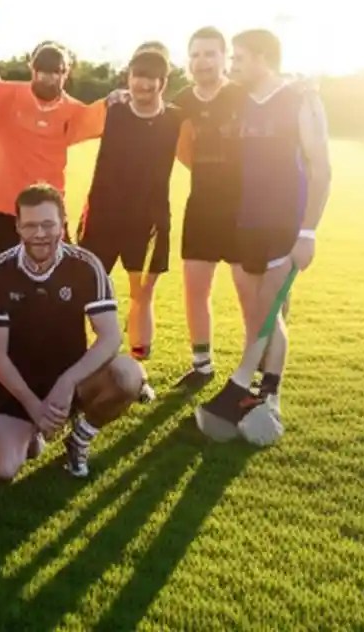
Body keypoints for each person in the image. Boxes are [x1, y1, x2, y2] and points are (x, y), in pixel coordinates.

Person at [195, 29, 332, 443]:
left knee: (271, 310)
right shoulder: (237, 99)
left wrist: (307, 232)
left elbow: (322, 168)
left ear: (262, 60)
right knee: (255, 313)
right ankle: (250, 393)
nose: (231, 65)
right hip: (243, 224)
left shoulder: (301, 100)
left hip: (284, 226)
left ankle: (266, 393)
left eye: (238, 58)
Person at [0, 184, 147, 480]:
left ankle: (78, 439)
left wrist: (67, 381)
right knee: (0, 470)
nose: (40, 233)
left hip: (72, 383)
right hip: (18, 391)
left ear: (62, 223)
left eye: (48, 224)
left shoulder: (86, 266)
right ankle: (30, 432)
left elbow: (111, 337)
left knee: (128, 375)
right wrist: (33, 405)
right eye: (30, 225)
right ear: (17, 226)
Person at [0, 41, 107, 380]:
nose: (48, 77)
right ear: (31, 68)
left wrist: (115, 98)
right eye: (42, 70)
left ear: (66, 73)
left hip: (48, 219)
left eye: (56, 71)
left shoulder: (74, 111)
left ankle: (62, 365)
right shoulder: (4, 95)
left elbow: (112, 117)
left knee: (59, 292)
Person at [77, 44, 183, 389]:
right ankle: (78, 363)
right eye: (139, 76)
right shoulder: (113, 110)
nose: (144, 84)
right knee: (85, 291)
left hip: (148, 224)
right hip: (102, 218)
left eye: (153, 78)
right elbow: (70, 125)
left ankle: (138, 372)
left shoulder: (175, 119)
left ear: (163, 82)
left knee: (142, 297)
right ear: (129, 77)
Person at [170, 27, 250, 391]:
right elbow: (179, 148)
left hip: (242, 210)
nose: (202, 61)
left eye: (210, 54)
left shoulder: (241, 95)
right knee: (195, 288)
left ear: (223, 58)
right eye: (196, 54)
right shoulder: (182, 101)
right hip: (200, 206)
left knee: (247, 291)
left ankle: (255, 369)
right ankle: (202, 365)